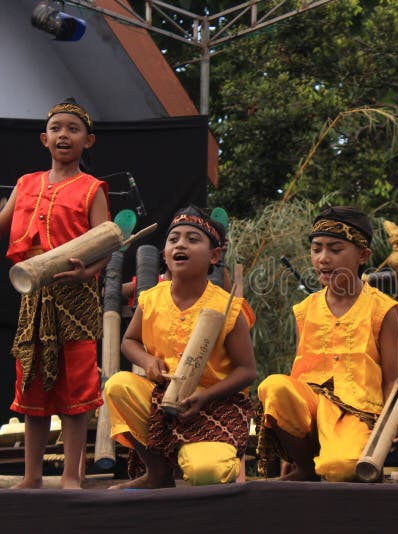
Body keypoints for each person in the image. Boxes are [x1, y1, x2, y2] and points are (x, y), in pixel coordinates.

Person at [103, 206, 257, 488]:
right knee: (118, 385)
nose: (180, 244)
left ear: (214, 256)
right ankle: (157, 474)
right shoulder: (151, 298)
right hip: (161, 398)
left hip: (214, 404)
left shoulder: (228, 307)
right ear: (165, 254)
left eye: (192, 239)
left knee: (207, 473)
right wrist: (148, 362)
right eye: (173, 239)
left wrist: (205, 396)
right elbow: (129, 341)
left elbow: (247, 371)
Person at [0, 99, 109, 489]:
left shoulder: (91, 188)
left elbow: (105, 244)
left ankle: (70, 476)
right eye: (57, 129)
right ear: (44, 139)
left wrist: (87, 272)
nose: (64, 134)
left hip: (76, 297)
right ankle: (31, 476)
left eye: (73, 129)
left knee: (76, 383)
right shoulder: (27, 184)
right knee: (31, 379)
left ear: (88, 140)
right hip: (34, 294)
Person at [255, 206, 398, 481]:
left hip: (357, 410)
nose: (323, 258)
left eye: (335, 249)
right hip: (310, 402)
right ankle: (304, 467)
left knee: (341, 468)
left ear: (363, 255)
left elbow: (391, 380)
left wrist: (392, 420)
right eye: (316, 249)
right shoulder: (305, 309)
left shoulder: (383, 309)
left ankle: (329, 459)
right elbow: (298, 372)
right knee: (273, 386)